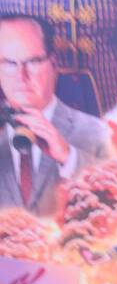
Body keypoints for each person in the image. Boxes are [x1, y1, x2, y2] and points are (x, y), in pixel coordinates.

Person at [0, 12, 109, 214]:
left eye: (32, 61)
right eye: (9, 64)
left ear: (54, 64)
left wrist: (69, 158)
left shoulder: (97, 133)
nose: (21, 76)